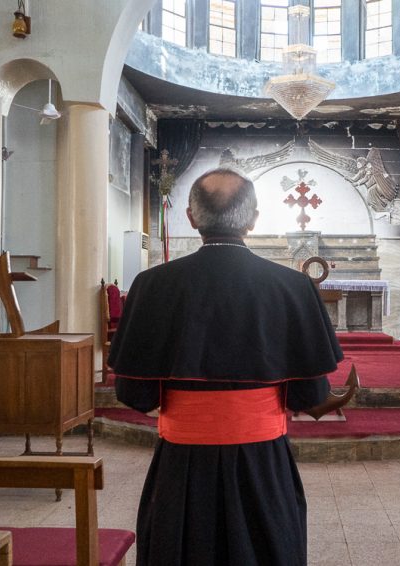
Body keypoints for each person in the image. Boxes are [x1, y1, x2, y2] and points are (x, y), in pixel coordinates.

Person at [108, 168, 343, 566]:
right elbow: (310, 395)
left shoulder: (151, 285)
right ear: (252, 219)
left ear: (191, 217)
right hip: (262, 464)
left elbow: (135, 394)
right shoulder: (293, 287)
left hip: (181, 468)